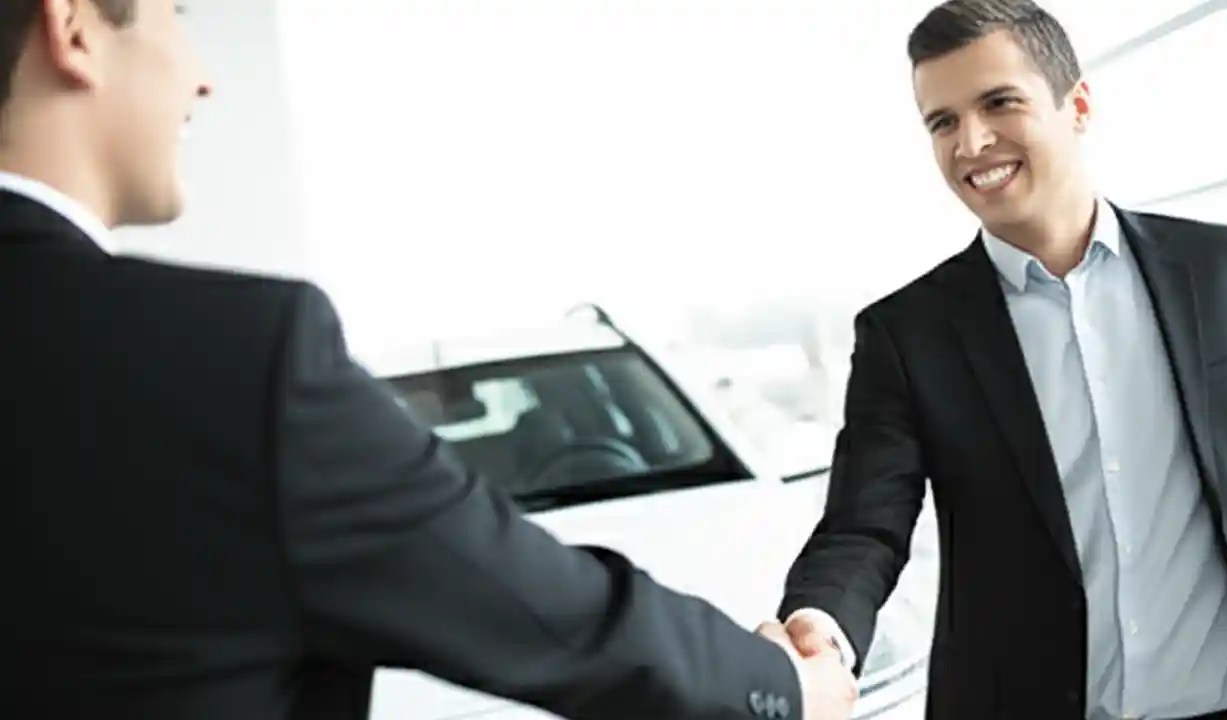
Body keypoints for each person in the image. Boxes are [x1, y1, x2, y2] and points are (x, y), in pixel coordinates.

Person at [0, 1, 857, 719]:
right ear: (73, 28)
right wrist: (785, 687)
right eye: (177, 17)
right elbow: (538, 609)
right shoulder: (233, 357)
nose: (203, 77)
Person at [774, 1, 1227, 718]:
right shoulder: (907, 334)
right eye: (942, 122)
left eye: (998, 103)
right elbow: (864, 524)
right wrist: (819, 630)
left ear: (1078, 106)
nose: (971, 142)